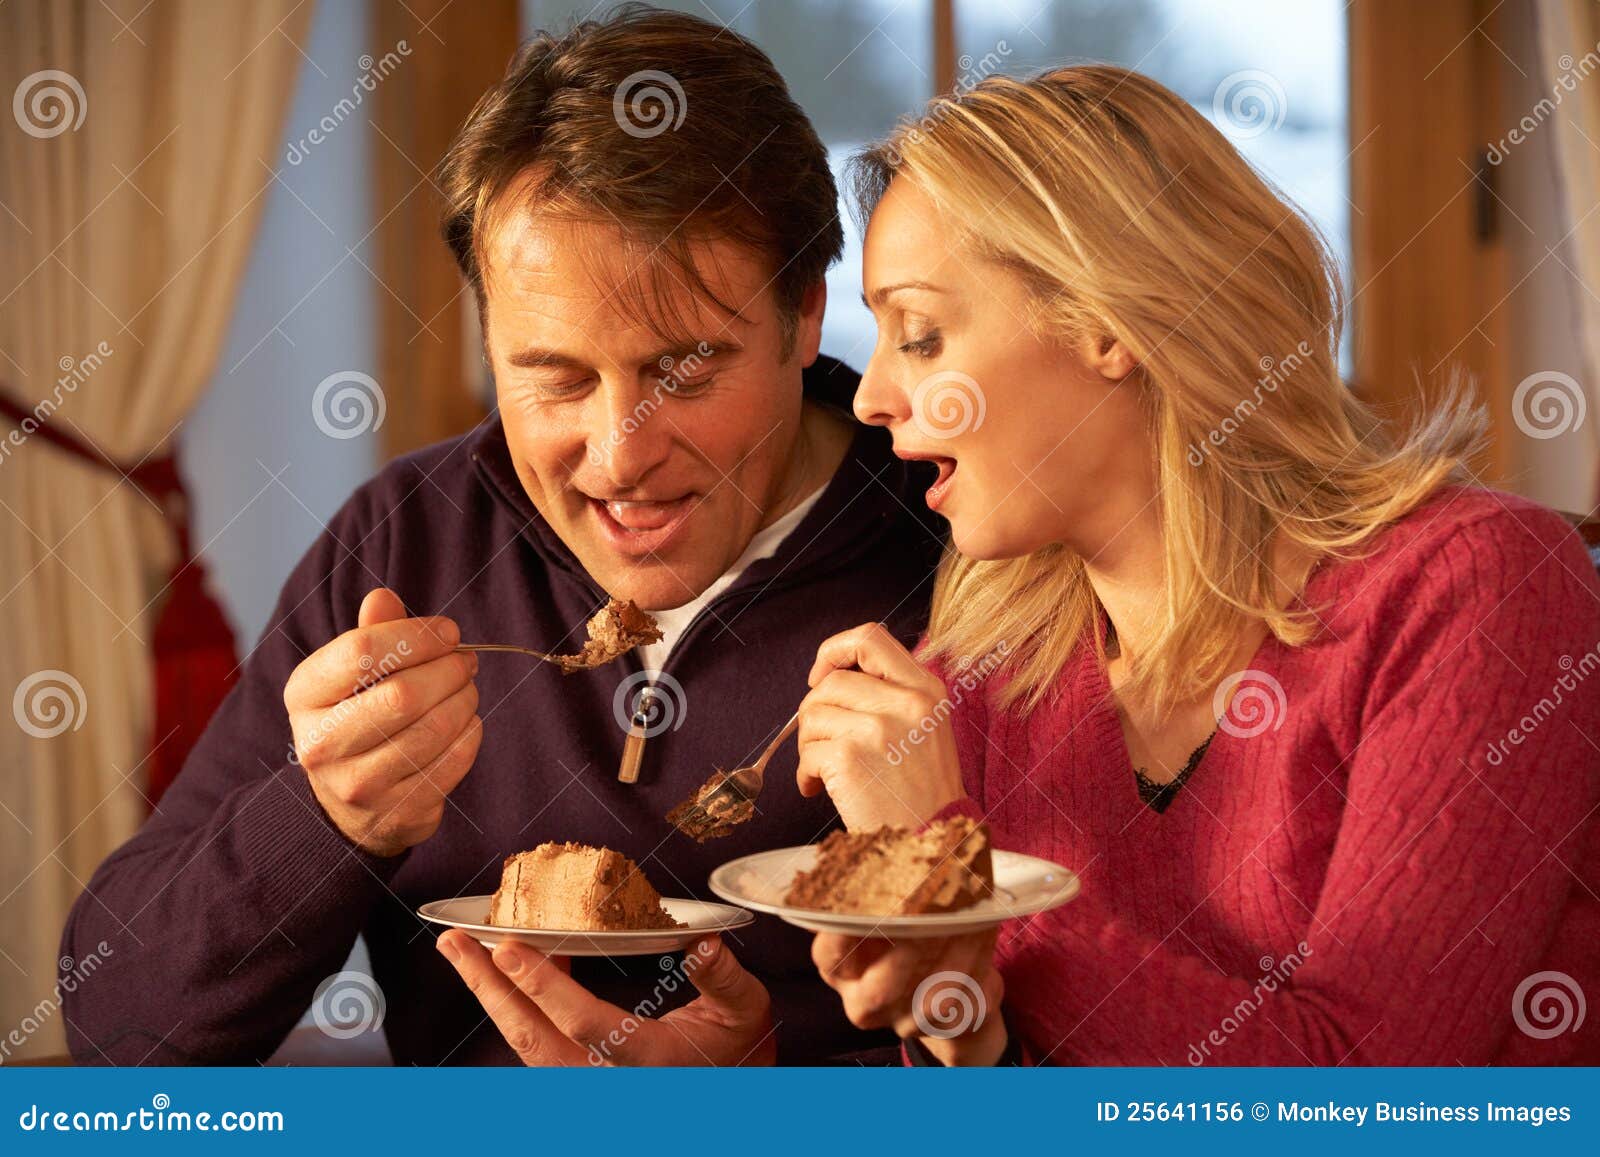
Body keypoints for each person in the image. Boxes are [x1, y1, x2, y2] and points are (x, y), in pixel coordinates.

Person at [59, 7, 942, 1066]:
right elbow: (115, 1025)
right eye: (555, 376)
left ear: (804, 310)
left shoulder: (960, 545)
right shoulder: (407, 544)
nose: (617, 458)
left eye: (684, 368)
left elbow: (1081, 1055)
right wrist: (319, 814)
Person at [796, 65, 1600, 1066]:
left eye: (919, 335)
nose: (870, 395)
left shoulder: (1475, 584)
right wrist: (950, 1000)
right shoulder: (983, 673)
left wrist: (957, 876)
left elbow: (1377, 1095)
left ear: (1107, 323)